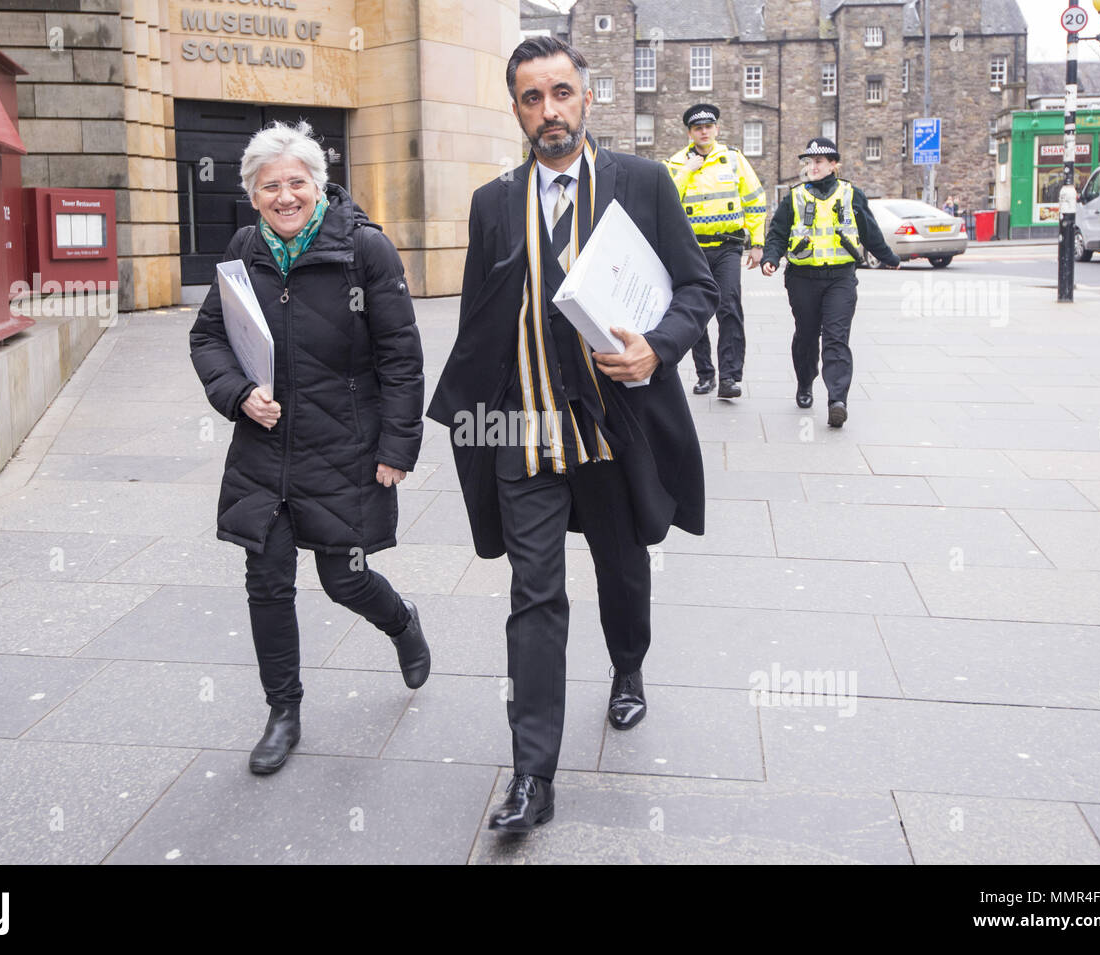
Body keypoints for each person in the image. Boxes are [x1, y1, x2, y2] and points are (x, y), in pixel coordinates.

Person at [427, 37, 717, 831]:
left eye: (561, 93)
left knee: (623, 570)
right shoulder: (494, 203)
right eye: (531, 97)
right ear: (516, 109)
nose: (548, 111)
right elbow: (479, 323)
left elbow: (695, 287)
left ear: (587, 98)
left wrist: (659, 348)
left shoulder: (644, 184)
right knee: (534, 595)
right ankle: (532, 775)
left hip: (612, 430)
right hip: (524, 432)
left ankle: (629, 666)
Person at [189, 120, 429, 776]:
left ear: (317, 186)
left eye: (297, 182)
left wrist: (397, 445)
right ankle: (283, 711)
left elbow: (402, 356)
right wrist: (238, 393)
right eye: (271, 186)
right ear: (253, 193)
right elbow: (207, 336)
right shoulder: (244, 248)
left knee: (343, 576)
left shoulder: (365, 251)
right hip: (264, 450)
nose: (285, 195)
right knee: (265, 581)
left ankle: (402, 621)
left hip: (344, 446)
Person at [760, 136, 899, 428]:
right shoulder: (794, 197)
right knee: (807, 335)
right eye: (808, 162)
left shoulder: (851, 194)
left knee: (836, 338)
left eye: (818, 161)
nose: (812, 167)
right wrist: (770, 257)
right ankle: (805, 383)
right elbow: (778, 233)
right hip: (802, 279)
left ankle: (837, 399)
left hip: (840, 278)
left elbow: (870, 231)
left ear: (833, 164)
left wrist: (889, 257)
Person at [664, 103, 766, 398]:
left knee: (729, 308)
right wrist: (687, 171)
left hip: (728, 247)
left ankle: (730, 378)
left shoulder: (733, 159)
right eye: (698, 128)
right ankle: (705, 374)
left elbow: (755, 201)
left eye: (708, 126)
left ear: (716, 129)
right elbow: (668, 200)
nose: (704, 131)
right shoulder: (677, 163)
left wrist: (757, 243)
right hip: (692, 250)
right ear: (690, 133)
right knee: (696, 313)